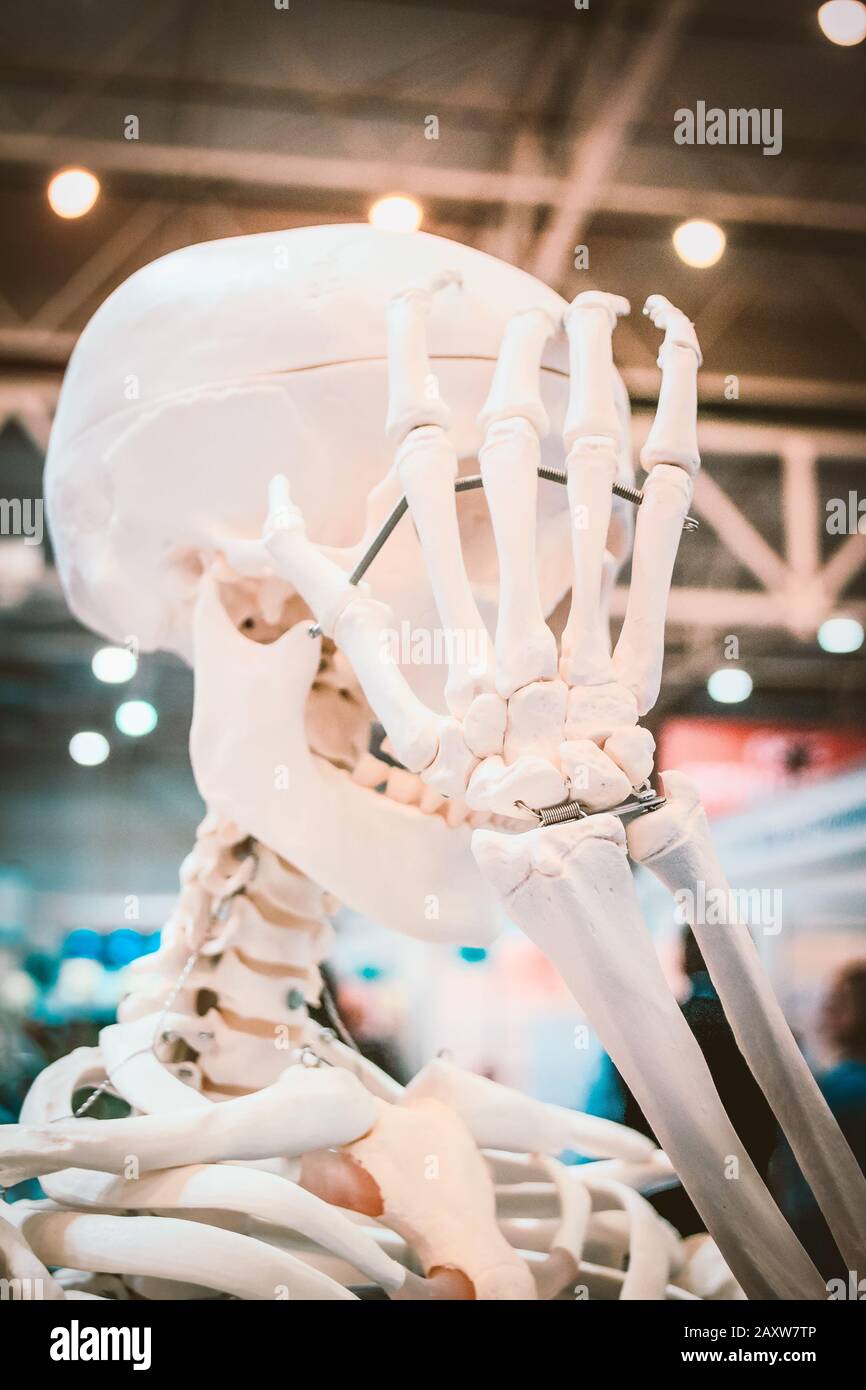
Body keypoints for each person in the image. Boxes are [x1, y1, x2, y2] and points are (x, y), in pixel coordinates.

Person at [586, 927, 778, 1235]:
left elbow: (608, 1120)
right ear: (747, 961)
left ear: (682, 960)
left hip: (663, 1204)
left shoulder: (649, 1028)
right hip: (753, 1212)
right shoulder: (773, 1036)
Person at [772, 960, 866, 1281]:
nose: (826, 1009)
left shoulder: (843, 1087)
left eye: (839, 1001)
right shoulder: (836, 1082)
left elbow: (803, 1180)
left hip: (826, 1243)